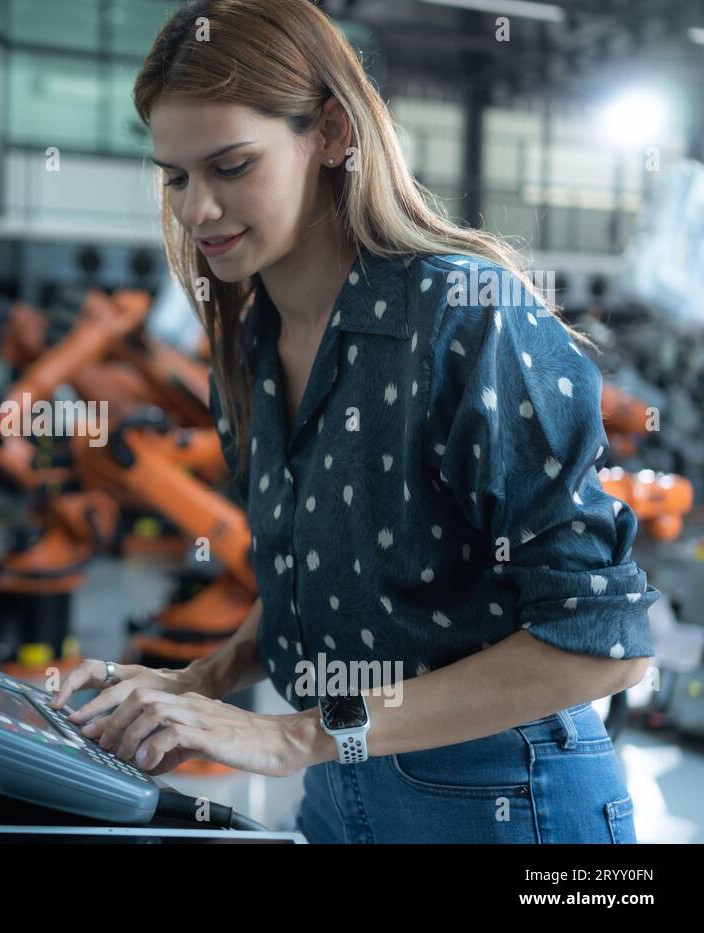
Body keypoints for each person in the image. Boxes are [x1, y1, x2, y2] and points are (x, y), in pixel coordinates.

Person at [49, 0, 654, 844]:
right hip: (339, 792)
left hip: (510, 797)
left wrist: (295, 731)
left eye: (230, 166)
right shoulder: (253, 334)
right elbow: (320, 578)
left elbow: (604, 642)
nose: (196, 211)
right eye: (176, 177)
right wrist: (204, 678)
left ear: (331, 133)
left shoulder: (463, 318)